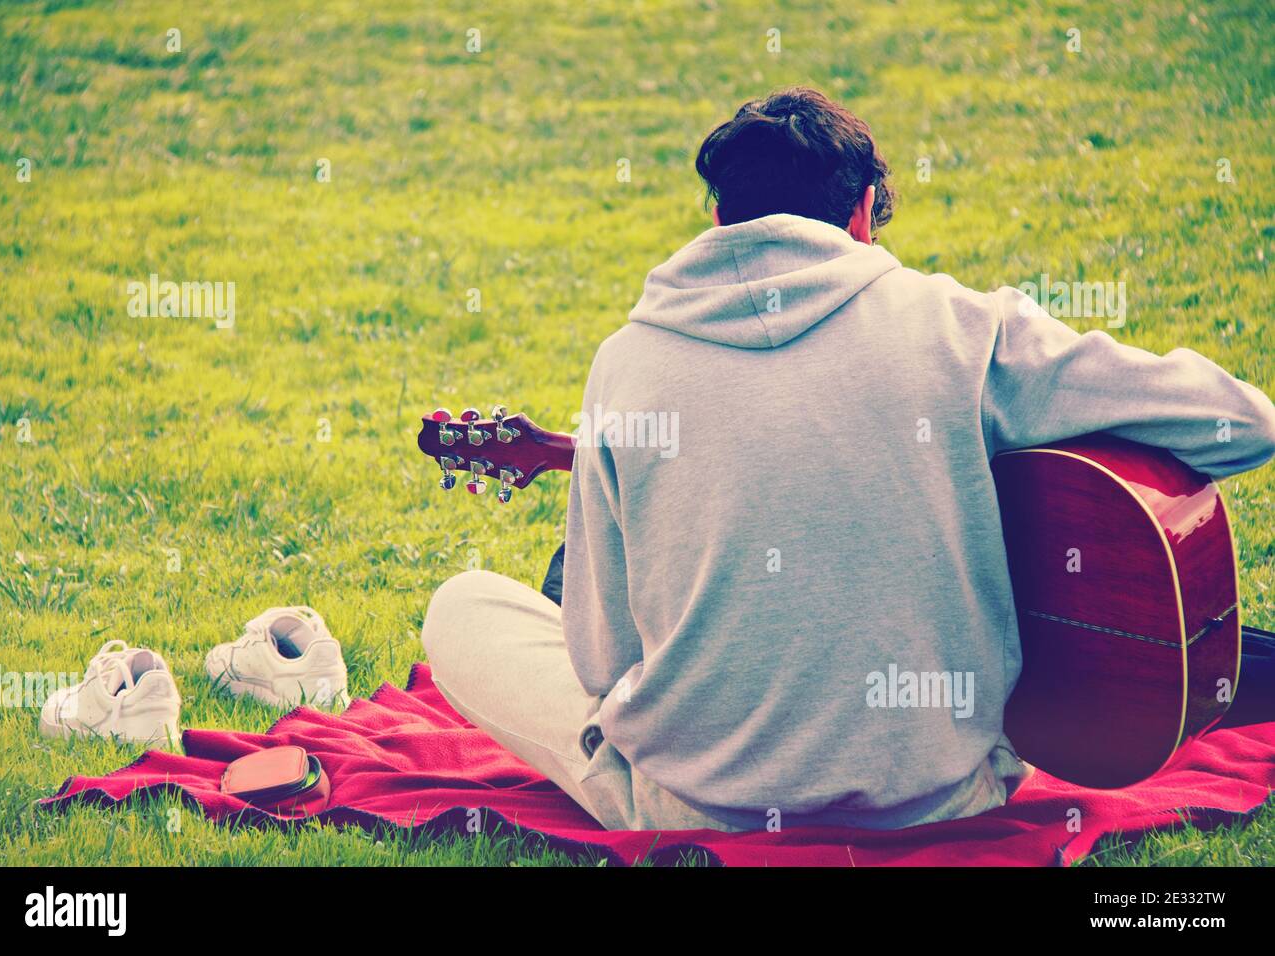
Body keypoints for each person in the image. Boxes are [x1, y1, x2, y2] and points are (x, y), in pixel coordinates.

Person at [422, 87, 1275, 832]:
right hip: (947, 797)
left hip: (693, 803)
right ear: (864, 210)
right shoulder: (966, 329)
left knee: (463, 607)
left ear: (716, 219)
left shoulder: (625, 360)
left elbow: (603, 665)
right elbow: (1245, 426)